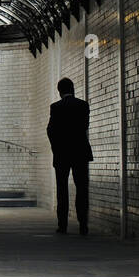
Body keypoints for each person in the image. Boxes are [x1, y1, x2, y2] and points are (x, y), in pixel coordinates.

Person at [47, 77, 93, 235]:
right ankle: (83, 224)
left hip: (62, 154)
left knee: (62, 189)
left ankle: (63, 225)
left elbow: (51, 131)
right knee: (82, 188)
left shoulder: (56, 107)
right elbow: (85, 126)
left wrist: (56, 149)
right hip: (80, 152)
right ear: (72, 89)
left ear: (59, 91)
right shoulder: (83, 105)